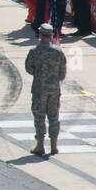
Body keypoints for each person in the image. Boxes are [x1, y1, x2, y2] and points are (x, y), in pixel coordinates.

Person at [24, 25, 67, 155]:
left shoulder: (34, 51)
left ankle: (40, 145)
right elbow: (62, 73)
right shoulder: (58, 52)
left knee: (39, 116)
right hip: (54, 89)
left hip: (39, 89)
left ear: (41, 35)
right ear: (51, 36)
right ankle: (54, 146)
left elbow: (29, 68)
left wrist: (38, 75)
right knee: (54, 116)